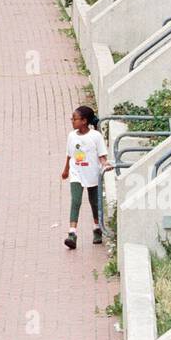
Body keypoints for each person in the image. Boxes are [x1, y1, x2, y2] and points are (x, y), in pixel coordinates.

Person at [61, 105, 112, 249]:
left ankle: (97, 228)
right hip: (76, 173)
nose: (72, 121)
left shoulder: (95, 136)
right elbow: (69, 155)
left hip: (92, 173)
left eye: (75, 119)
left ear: (84, 121)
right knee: (75, 201)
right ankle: (72, 233)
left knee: (94, 202)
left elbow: (102, 156)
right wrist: (66, 170)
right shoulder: (72, 136)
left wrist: (105, 164)